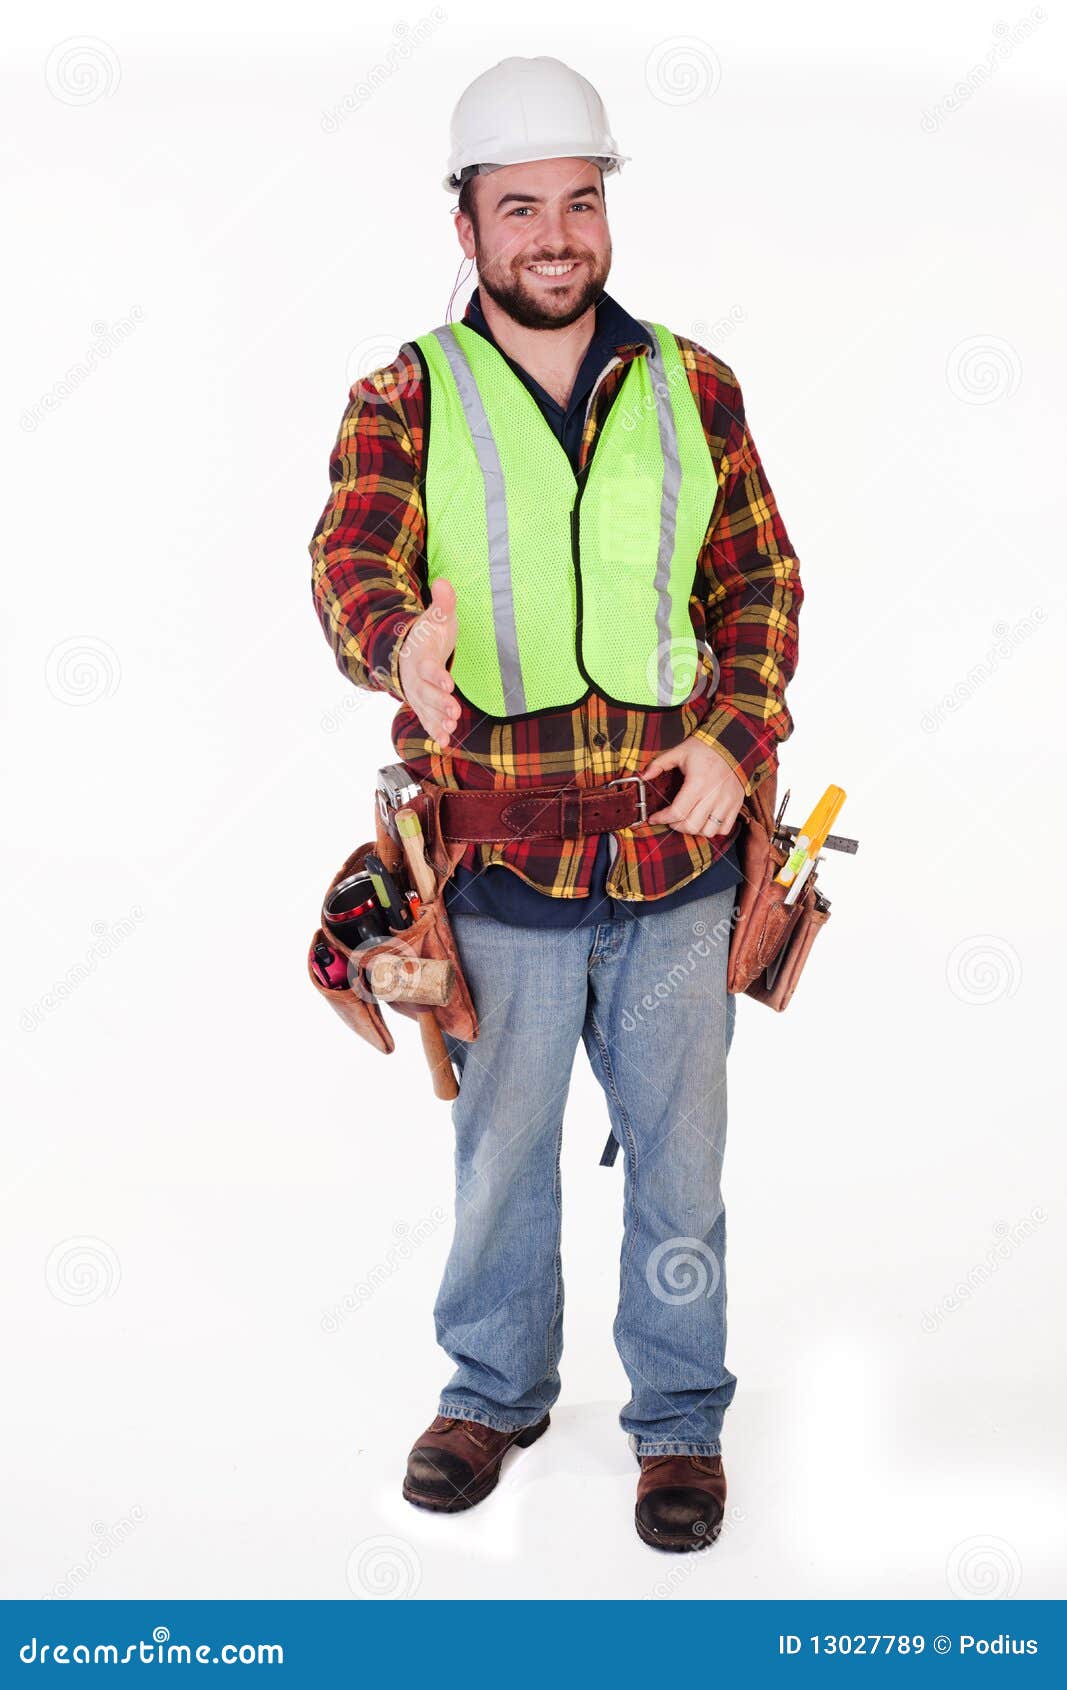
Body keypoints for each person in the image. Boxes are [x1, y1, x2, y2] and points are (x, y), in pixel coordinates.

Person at [309, 55, 804, 1552]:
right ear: (464, 224)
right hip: (499, 872)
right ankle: (493, 1388)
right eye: (517, 205)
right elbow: (351, 562)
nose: (554, 234)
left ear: (604, 212)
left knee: (683, 1165)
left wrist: (733, 727)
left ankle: (677, 1424)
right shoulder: (405, 392)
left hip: (679, 865)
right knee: (501, 1157)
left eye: (578, 202)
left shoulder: (694, 385)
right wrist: (401, 643)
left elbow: (762, 581)